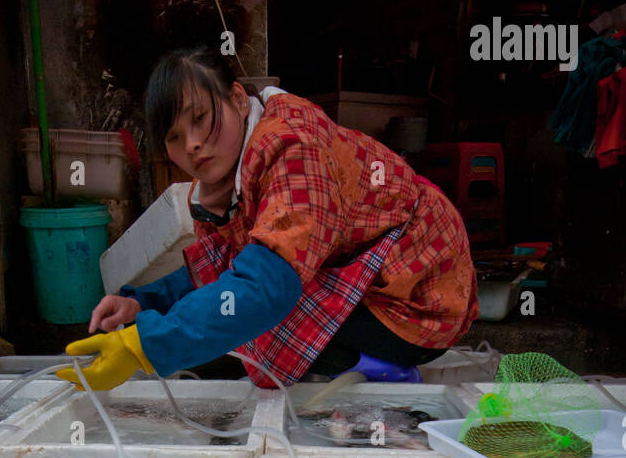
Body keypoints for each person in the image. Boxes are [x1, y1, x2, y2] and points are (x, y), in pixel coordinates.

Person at [56, 47, 478, 391]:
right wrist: (143, 303)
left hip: (419, 294)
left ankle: (379, 367)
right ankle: (346, 358)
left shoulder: (292, 148)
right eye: (174, 137)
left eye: (200, 119)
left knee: (258, 325)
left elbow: (265, 288)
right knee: (231, 311)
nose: (195, 145)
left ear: (239, 100)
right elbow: (227, 266)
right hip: (362, 275)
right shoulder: (231, 176)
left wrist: (143, 346)